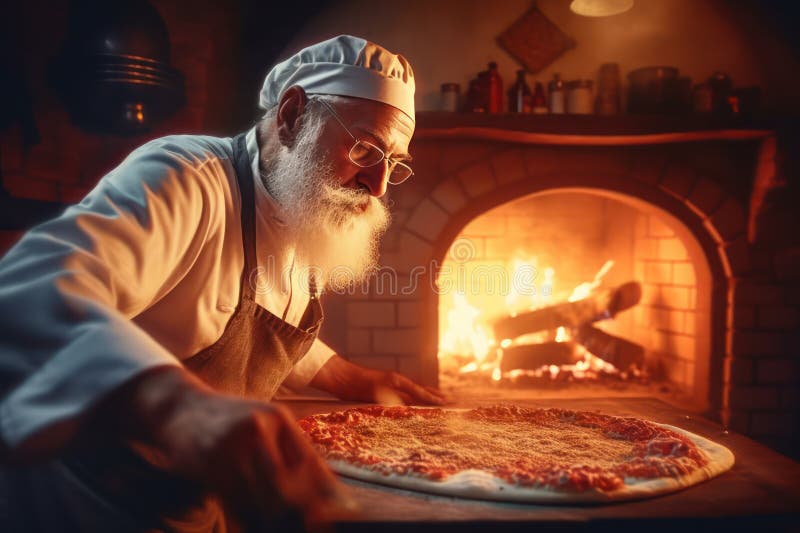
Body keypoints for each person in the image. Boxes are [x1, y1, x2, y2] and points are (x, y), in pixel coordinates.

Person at [0, 35, 445, 531]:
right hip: (83, 507)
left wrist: (346, 375)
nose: (378, 185)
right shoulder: (186, 176)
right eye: (364, 149)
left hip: (197, 510)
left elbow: (240, 311)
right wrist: (178, 408)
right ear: (292, 115)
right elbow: (28, 297)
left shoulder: (303, 209)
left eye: (394, 163)